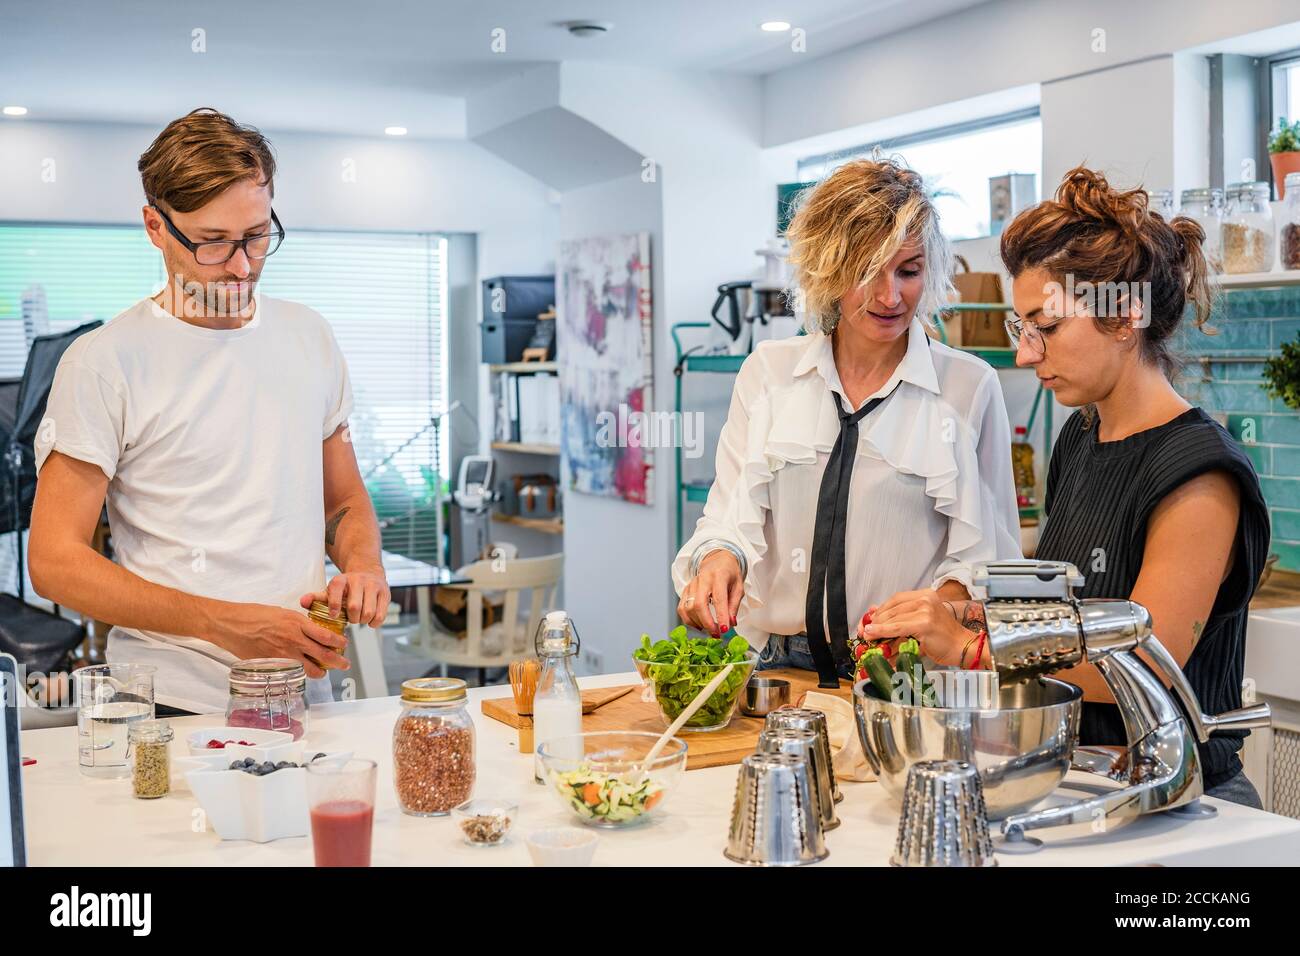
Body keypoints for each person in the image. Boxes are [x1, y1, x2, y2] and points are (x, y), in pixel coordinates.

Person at [863, 167, 1269, 807]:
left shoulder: (1201, 471)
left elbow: (1141, 656)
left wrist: (970, 649)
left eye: (1045, 328)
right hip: (1084, 783)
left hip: (1185, 804)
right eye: (1021, 330)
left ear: (1124, 315)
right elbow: (1063, 617)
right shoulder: (1081, 437)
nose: (1026, 355)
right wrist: (959, 611)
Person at [28, 108, 390, 715]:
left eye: (255, 237)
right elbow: (54, 561)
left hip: (306, 695)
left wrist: (363, 565)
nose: (243, 266)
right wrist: (222, 625)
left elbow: (345, 501)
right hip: (168, 706)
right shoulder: (104, 362)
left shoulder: (310, 337)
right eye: (214, 243)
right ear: (155, 226)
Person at [672, 157, 1020, 687]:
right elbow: (728, 514)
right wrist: (719, 558)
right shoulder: (769, 373)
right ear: (826, 273)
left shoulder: (968, 388)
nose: (890, 296)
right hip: (776, 672)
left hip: (902, 678)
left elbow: (988, 563)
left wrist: (940, 607)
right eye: (866, 273)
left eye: (908, 270)